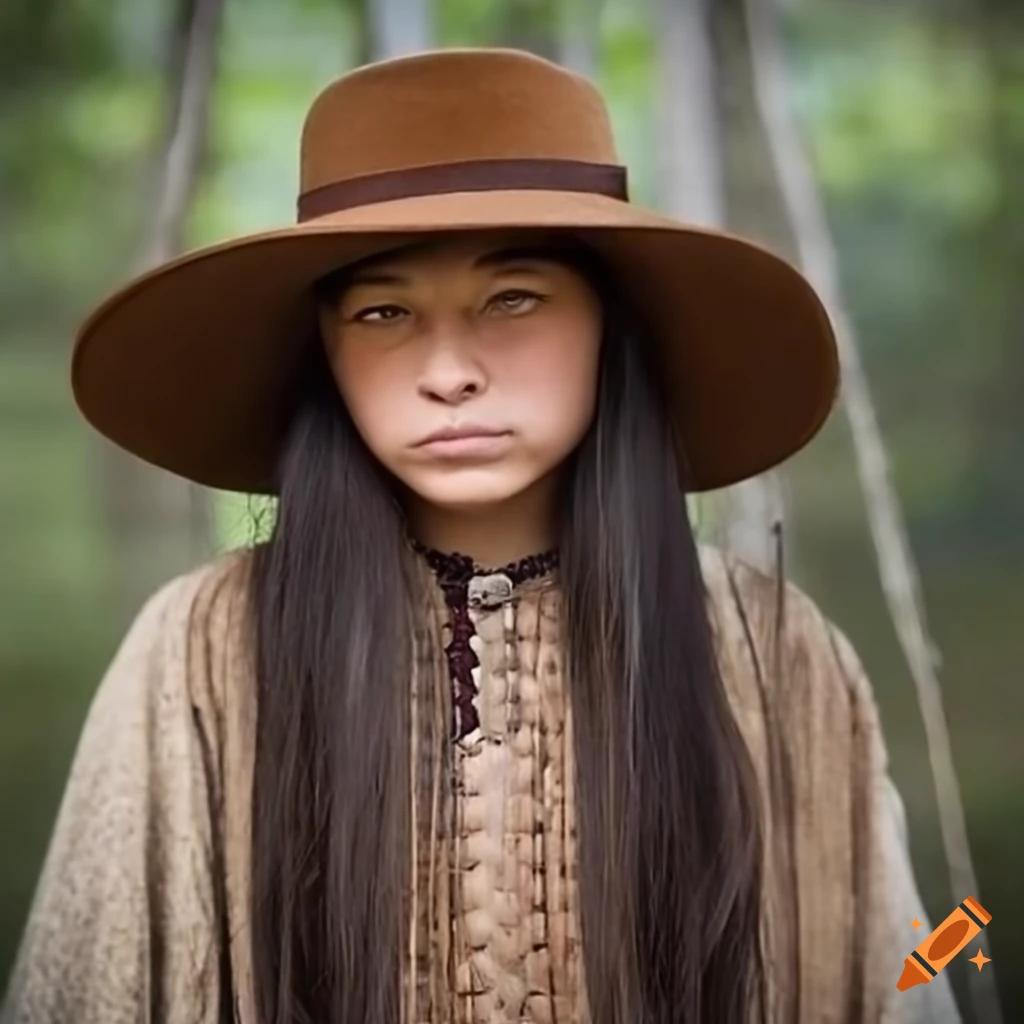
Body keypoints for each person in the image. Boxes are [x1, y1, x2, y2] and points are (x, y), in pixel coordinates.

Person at [1, 48, 960, 1024]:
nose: (449, 370)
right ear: (325, 355)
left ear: (607, 327)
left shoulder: (769, 648)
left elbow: (906, 976)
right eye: (383, 311)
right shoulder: (202, 646)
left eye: (513, 299)